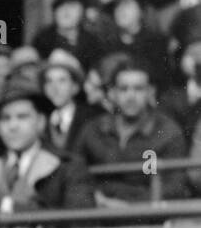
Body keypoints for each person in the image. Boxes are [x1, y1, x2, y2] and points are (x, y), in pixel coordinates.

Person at [0, 82, 93, 212]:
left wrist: (17, 208)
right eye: (5, 118)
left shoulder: (68, 167)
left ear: (41, 122)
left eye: (22, 117)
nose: (13, 126)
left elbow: (79, 223)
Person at [72, 58, 188, 205]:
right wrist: (96, 200)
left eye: (138, 89)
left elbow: (174, 186)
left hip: (147, 219)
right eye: (123, 89)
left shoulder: (168, 132)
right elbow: (74, 177)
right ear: (113, 93)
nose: (130, 96)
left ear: (150, 91)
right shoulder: (93, 130)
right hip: (98, 214)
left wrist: (129, 207)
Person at [31, 0, 101, 68]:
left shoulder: (92, 42)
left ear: (83, 13)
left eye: (72, 6)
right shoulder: (42, 39)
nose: (65, 11)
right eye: (61, 7)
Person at [42, 50, 95, 153]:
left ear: (75, 86)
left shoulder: (91, 116)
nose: (55, 87)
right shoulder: (41, 118)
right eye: (49, 81)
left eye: (62, 80)